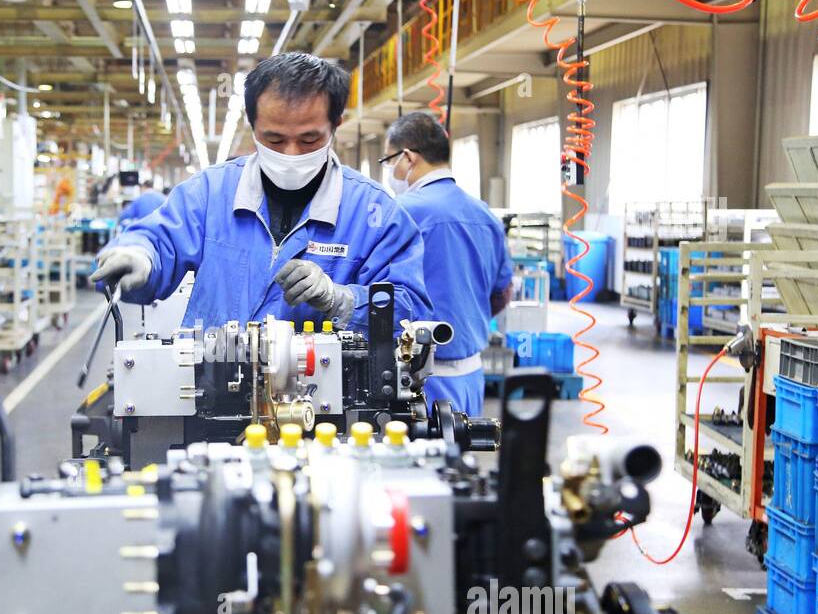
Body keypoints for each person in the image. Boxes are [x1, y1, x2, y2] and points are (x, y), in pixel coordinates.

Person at [90, 52, 428, 332]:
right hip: (212, 393)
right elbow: (159, 239)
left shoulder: (375, 214)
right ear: (252, 127)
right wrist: (138, 255)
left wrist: (340, 300)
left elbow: (411, 311)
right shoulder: (211, 193)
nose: (291, 154)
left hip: (324, 405)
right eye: (275, 139)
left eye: (310, 139)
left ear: (335, 124)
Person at [384, 111, 512, 416]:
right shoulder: (484, 214)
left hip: (419, 379)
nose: (390, 170)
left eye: (389, 162)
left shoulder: (399, 212)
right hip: (471, 376)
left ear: (408, 158)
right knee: (460, 459)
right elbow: (502, 293)